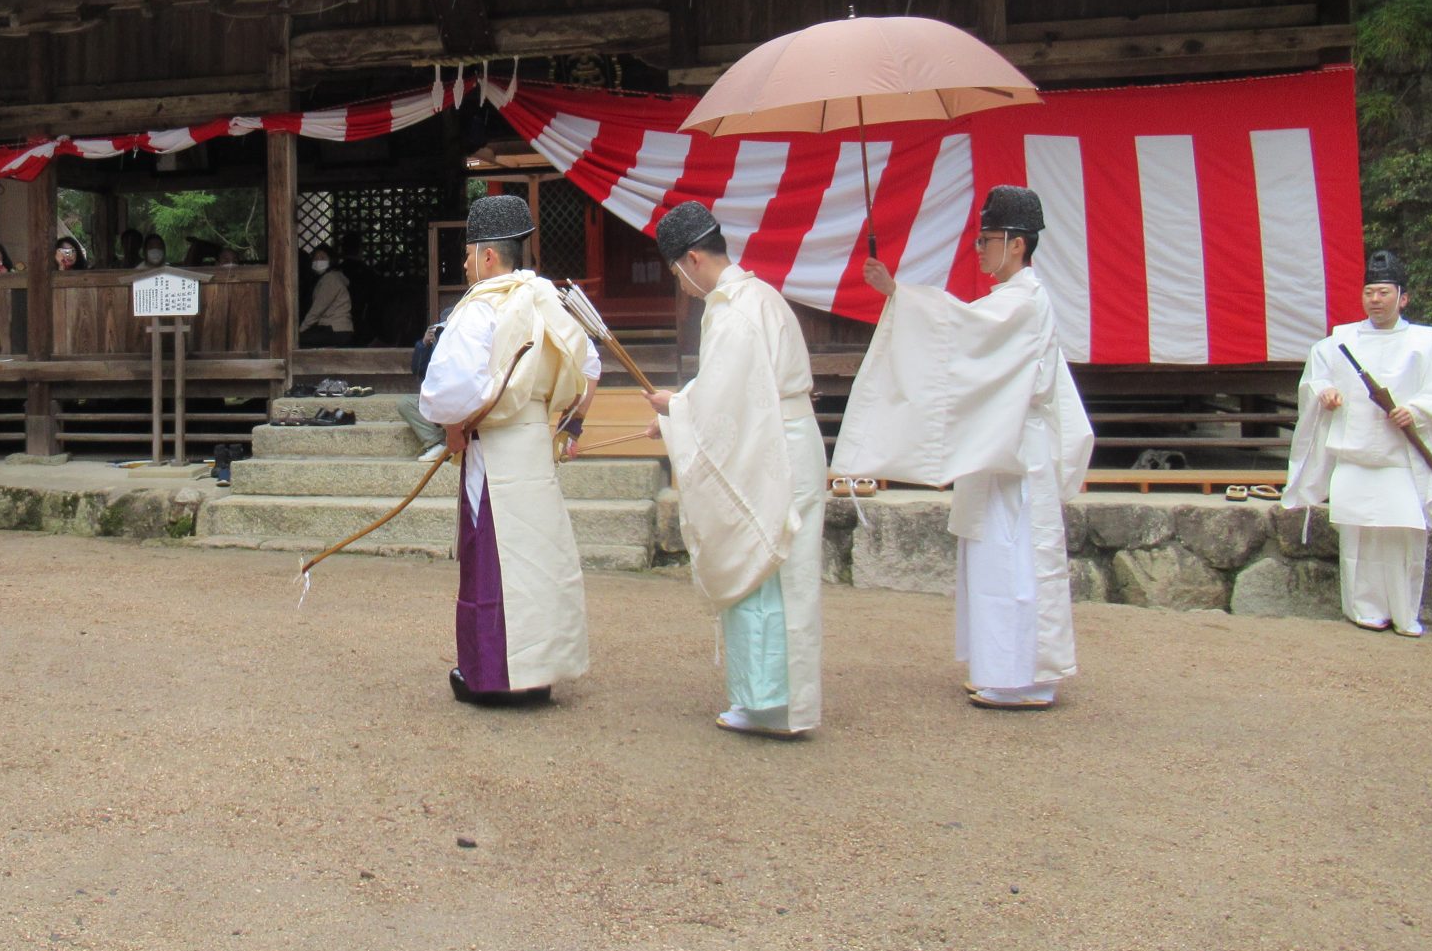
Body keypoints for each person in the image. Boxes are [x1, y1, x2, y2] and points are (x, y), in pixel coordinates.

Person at [833, 186, 1091, 711]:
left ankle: (1025, 676)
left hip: (1017, 452)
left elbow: (961, 334)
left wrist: (899, 294)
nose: (979, 249)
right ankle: (1002, 668)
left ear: (1016, 245)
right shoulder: (1012, 301)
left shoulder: (1023, 301)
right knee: (996, 558)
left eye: (987, 239)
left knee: (1015, 561)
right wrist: (897, 294)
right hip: (998, 443)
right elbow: (966, 337)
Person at [641, 203, 827, 738]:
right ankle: (782, 700)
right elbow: (727, 383)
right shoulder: (758, 296)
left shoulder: (733, 310)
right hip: (788, 437)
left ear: (693, 259)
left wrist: (680, 414)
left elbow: (730, 398)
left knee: (759, 560)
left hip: (772, 445)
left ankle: (767, 703)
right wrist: (679, 408)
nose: (680, 284)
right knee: (783, 571)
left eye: (677, 272)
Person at [418, 194, 600, 707]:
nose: (466, 264)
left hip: (493, 447)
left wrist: (455, 424)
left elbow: (446, 392)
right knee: (538, 558)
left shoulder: (483, 307)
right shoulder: (547, 301)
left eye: (469, 254)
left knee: (493, 557)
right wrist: (562, 423)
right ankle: (538, 673)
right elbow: (589, 370)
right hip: (533, 444)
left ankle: (492, 676)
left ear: (488, 257)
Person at [1283, 250, 1432, 636]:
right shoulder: (1338, 342)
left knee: (1403, 539)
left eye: (1384, 292)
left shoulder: (1427, 345)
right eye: (1370, 292)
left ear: (1403, 298)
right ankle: (1364, 610)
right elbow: (1315, 379)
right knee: (1358, 538)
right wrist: (1326, 393)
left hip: (1400, 459)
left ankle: (1405, 614)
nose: (1375, 299)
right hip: (1355, 455)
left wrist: (1415, 411)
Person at [397, 318, 448, 462]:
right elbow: (418, 371)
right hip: (438, 400)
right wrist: (424, 345)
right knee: (406, 403)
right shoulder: (437, 344)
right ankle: (438, 443)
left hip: (461, 401)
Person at [299, 244, 354, 347]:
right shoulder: (330, 278)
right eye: (315, 258)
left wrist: (300, 330)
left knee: (299, 341)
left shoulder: (330, 279)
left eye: (322, 258)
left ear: (331, 260)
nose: (318, 261)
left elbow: (317, 309)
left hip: (335, 329)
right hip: (338, 329)